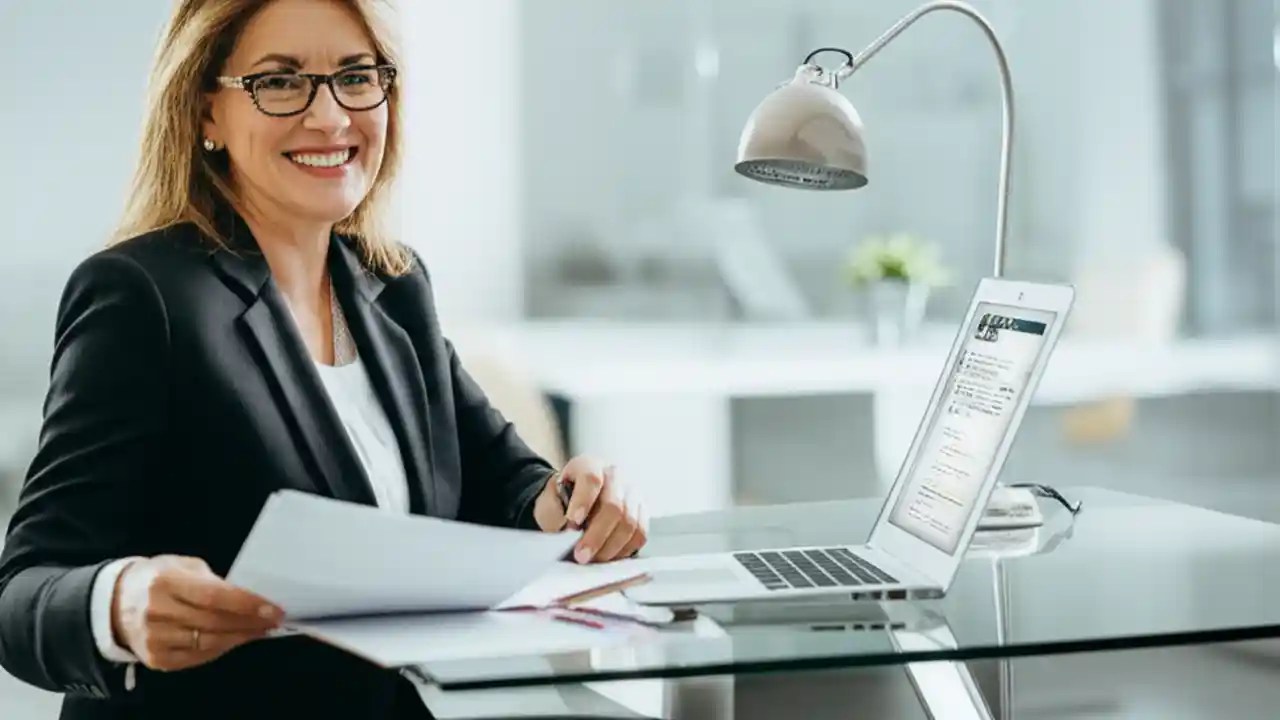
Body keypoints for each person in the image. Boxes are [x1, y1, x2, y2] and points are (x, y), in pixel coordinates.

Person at [0, 1, 647, 717]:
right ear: (206, 112)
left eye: (354, 76)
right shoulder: (141, 296)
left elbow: (508, 483)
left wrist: (573, 501)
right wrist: (116, 603)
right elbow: (24, 589)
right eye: (281, 83)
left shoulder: (393, 286)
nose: (332, 117)